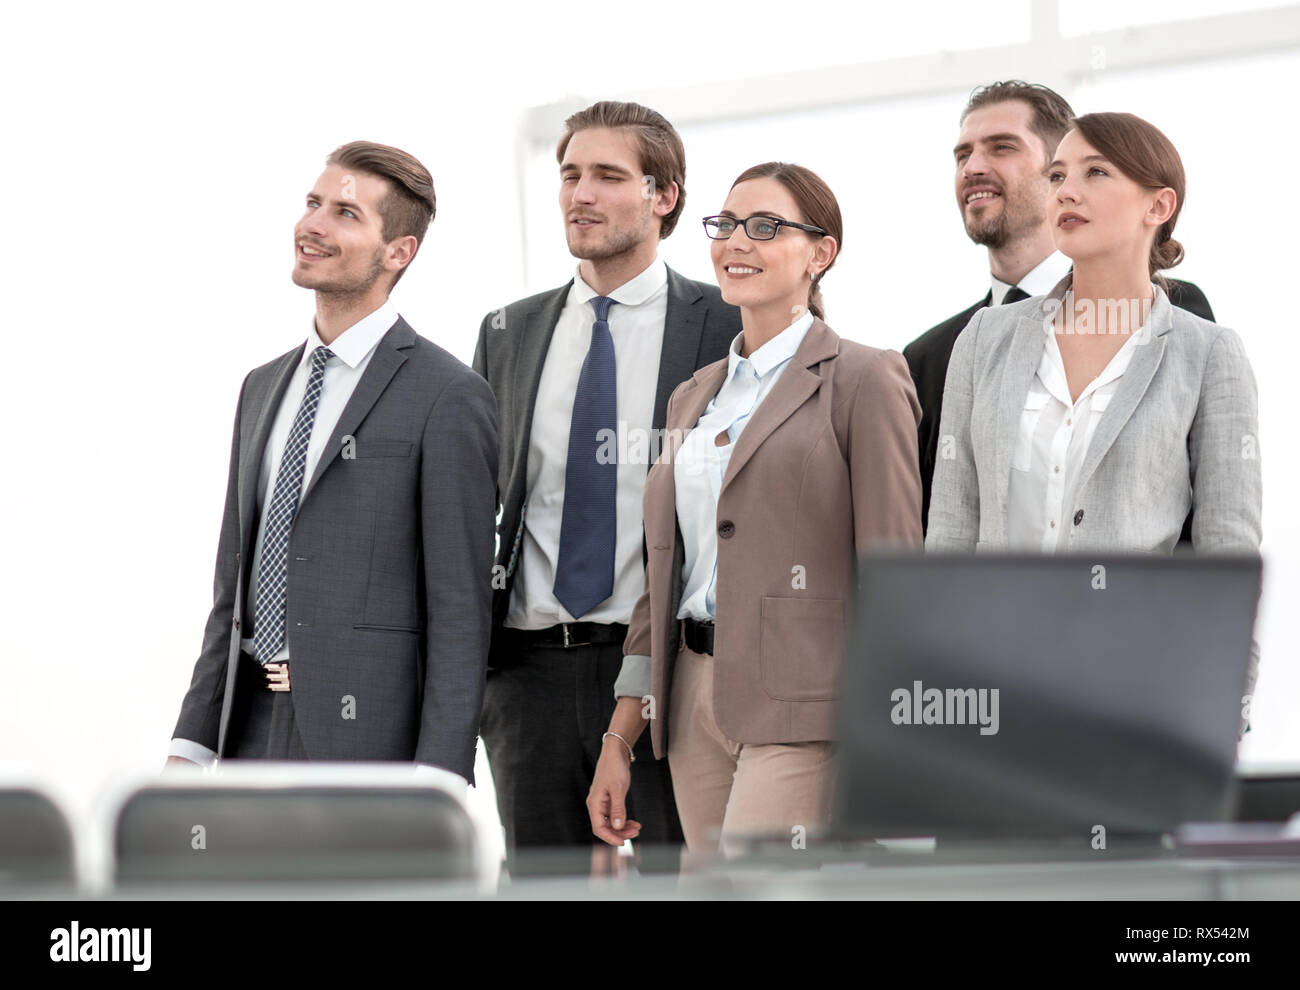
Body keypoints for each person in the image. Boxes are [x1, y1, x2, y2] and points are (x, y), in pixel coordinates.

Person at [587, 162, 923, 855]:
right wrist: (621, 734)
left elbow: (895, 573)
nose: (738, 241)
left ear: (820, 253)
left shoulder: (864, 377)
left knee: (758, 882)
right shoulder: (694, 394)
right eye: (727, 225)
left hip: (807, 702)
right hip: (692, 698)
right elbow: (664, 576)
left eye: (766, 227)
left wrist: (893, 736)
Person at [168, 141, 498, 789]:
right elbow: (229, 591)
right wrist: (191, 742)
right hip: (246, 729)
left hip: (370, 742)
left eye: (345, 213)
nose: (312, 225)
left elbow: (462, 610)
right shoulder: (260, 387)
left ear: (397, 251)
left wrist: (439, 779)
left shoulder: (447, 394)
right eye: (313, 203)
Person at [925, 112, 1262, 723]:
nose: (1066, 191)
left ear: (1158, 205)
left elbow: (1227, 555)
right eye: (1057, 175)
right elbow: (951, 527)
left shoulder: (1207, 352)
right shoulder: (983, 339)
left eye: (1095, 172)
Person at [473, 101, 741, 868]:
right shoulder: (508, 331)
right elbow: (482, 504)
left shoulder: (723, 324)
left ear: (664, 197)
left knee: (678, 879)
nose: (579, 194)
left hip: (663, 666)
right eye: (569, 175)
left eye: (607, 176)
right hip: (527, 678)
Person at [905, 81, 1215, 533]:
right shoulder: (930, 356)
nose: (973, 167)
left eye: (1002, 147)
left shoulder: (1174, 310)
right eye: (962, 155)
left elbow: (1200, 507)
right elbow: (941, 521)